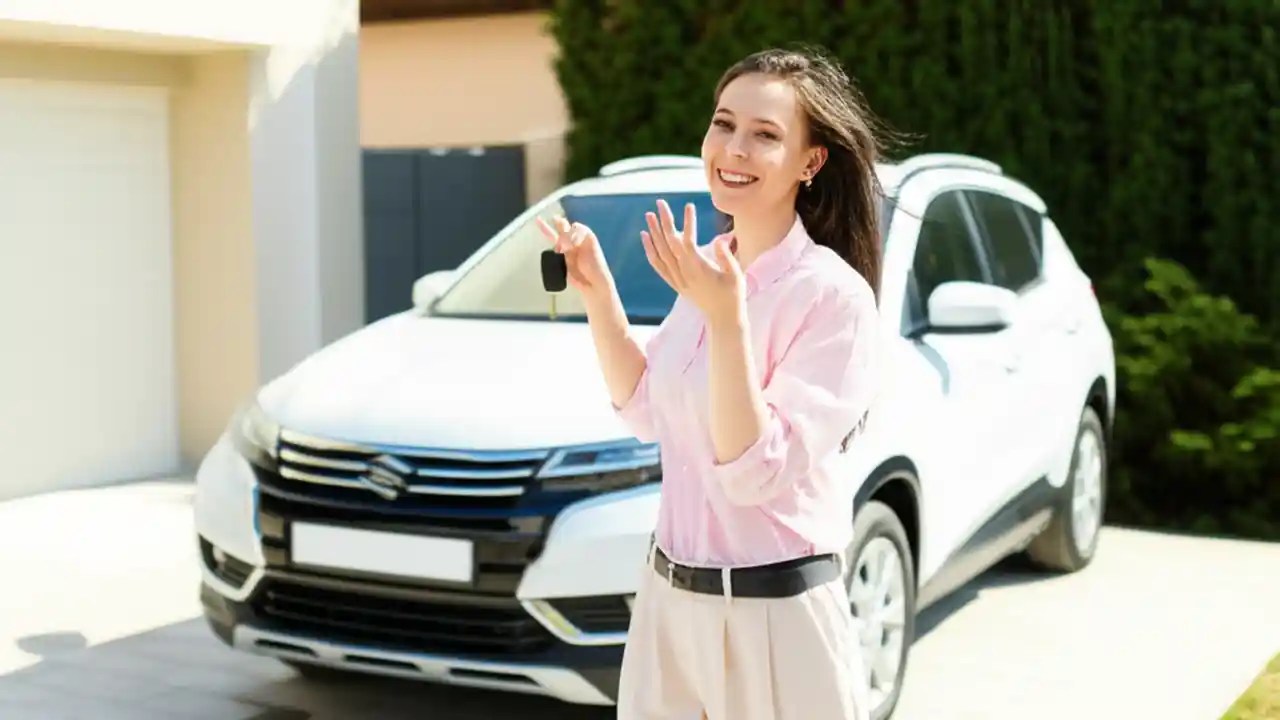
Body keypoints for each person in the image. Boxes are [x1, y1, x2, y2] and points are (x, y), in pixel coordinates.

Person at [538, 45, 885, 720]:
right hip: (669, 605)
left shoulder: (833, 298)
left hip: (775, 617)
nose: (734, 148)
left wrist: (728, 321)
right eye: (724, 123)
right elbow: (647, 408)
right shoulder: (710, 270)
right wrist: (599, 294)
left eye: (765, 134)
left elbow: (754, 470)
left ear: (810, 163)